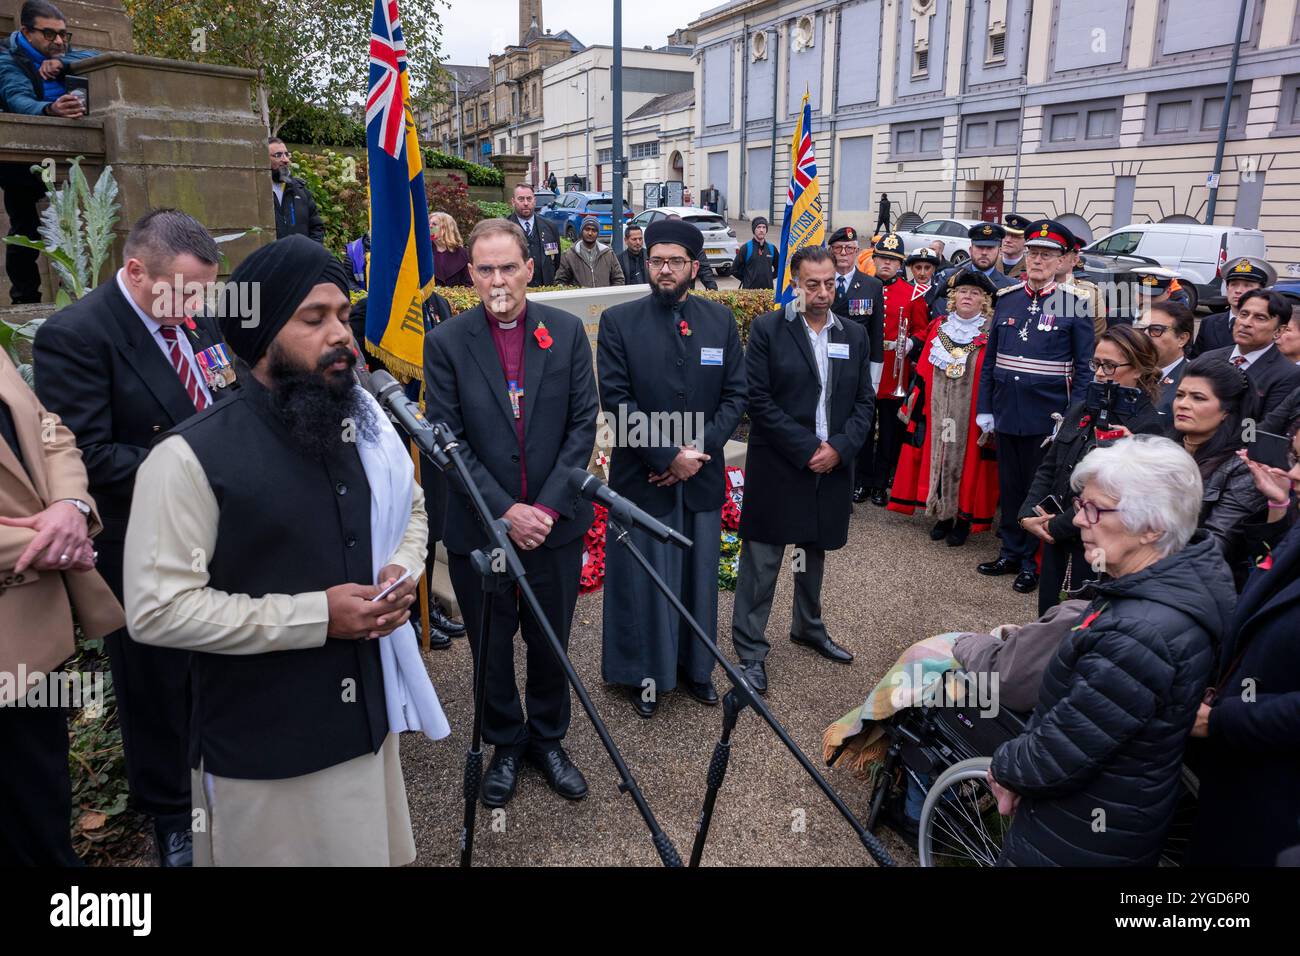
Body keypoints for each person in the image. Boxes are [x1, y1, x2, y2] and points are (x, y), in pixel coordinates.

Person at [123, 235, 447, 866]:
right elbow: (157, 609)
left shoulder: (359, 423)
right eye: (314, 319)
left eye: (344, 316)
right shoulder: (188, 457)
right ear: (262, 330)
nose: (342, 338)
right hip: (264, 753)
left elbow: (410, 507)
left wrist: (402, 569)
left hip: (366, 726)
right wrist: (318, 617)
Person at [32, 209, 230, 867]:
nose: (195, 307)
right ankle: (172, 815)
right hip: (142, 543)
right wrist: (203, 466)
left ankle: (221, 788)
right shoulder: (77, 335)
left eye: (204, 292)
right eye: (183, 291)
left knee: (218, 669)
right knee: (158, 687)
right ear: (136, 269)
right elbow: (84, 454)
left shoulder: (190, 312)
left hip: (220, 530)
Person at [989, 436, 1233, 866]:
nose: (1079, 520)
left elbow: (1060, 748)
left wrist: (1004, 768)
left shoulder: (1141, 633)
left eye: (1095, 509)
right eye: (1081, 504)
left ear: (1153, 526)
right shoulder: (1170, 584)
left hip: (1079, 834)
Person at [424, 218, 598, 808]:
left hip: (555, 525)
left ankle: (548, 739)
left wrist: (544, 508)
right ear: (470, 274)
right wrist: (506, 511)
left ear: (530, 268)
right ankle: (504, 741)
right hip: (479, 529)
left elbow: (582, 428)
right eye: (486, 269)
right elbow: (447, 441)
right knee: (490, 643)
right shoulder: (446, 342)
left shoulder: (568, 332)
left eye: (508, 267)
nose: (499, 280)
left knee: (552, 641)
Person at [597, 218, 746, 717]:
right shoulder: (620, 322)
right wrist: (666, 456)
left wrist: (693, 454)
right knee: (646, 581)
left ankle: (696, 669)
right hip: (643, 477)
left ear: (694, 267)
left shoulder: (719, 321)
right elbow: (617, 401)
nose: (664, 269)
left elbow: (735, 395)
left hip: (698, 475)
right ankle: (645, 676)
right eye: (657, 260)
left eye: (675, 262)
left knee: (698, 576)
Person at [730, 245, 873, 693]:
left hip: (830, 466)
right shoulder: (770, 329)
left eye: (830, 282)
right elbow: (758, 400)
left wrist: (840, 449)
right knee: (764, 558)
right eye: (813, 284)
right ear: (795, 282)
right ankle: (750, 649)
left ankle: (807, 625)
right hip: (781, 463)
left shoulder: (853, 334)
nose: (824, 293)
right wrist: (809, 448)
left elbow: (864, 402)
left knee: (812, 550)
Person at [0, 349, 123, 865]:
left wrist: (70, 506)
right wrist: (52, 543)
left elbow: (51, 432)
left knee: (38, 797)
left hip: (28, 638)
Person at [1189, 419, 1300, 866]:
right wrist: (1278, 512)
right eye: (1295, 458)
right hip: (1245, 768)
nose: (1292, 475)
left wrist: (1222, 720)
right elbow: (1266, 594)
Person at [976, 218, 1094, 594]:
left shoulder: (1073, 305)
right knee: (1009, 488)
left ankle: (1031, 561)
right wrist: (985, 409)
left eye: (1047, 255)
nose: (1038, 260)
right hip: (1007, 411)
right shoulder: (1008, 299)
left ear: (1061, 261)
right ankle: (1010, 551)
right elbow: (990, 362)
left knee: (1037, 490)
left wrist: (1073, 421)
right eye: (1033, 253)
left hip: (1050, 418)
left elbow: (1085, 370)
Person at [1018, 326, 1167, 614]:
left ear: (1137, 369)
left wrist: (1054, 527)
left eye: (1110, 366)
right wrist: (1027, 515)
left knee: (1080, 620)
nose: (1099, 373)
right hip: (1055, 536)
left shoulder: (1146, 427)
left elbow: (1111, 494)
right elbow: (1050, 465)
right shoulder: (1086, 406)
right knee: (1048, 614)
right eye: (1096, 363)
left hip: (1097, 545)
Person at [889, 270, 1000, 547]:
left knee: (968, 465)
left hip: (971, 413)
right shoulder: (940, 326)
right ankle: (942, 515)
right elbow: (925, 367)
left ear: (983, 301)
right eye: (963, 291)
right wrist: (917, 407)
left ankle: (963, 519)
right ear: (953, 297)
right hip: (939, 409)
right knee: (937, 457)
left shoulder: (991, 330)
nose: (967, 297)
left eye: (975, 293)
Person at [0, 1, 95, 304]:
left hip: (72, 152)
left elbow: (101, 57)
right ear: (25, 31)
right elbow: (17, 100)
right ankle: (25, 301)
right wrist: (51, 109)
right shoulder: (6, 58)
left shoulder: (60, 51)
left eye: (63, 35)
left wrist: (63, 63)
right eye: (49, 34)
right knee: (25, 229)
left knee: (75, 226)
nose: (58, 42)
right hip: (26, 158)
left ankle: (80, 296)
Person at [1168, 356, 1267, 587]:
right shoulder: (1162, 450)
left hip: (1194, 586)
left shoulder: (1243, 468)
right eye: (1180, 395)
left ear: (1227, 412)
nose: (1183, 404)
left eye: (1198, 398)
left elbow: (1216, 543)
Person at [855, 233, 928, 506]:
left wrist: (911, 342)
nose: (886, 263)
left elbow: (922, 329)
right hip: (865, 369)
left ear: (901, 265)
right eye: (882, 258)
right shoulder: (861, 287)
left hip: (894, 373)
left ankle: (880, 483)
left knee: (888, 432)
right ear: (874, 260)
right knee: (862, 429)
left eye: (892, 260)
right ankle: (861, 481)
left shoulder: (913, 293)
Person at [1200, 289, 1300, 419]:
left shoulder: (1288, 375)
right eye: (1243, 314)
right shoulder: (1208, 359)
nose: (1246, 323)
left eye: (1260, 318)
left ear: (1279, 331)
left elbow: (1264, 429)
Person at [828, 226, 885, 391]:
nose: (844, 253)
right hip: (823, 359)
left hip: (856, 363)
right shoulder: (820, 282)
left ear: (858, 251)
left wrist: (874, 380)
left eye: (849, 248)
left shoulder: (873, 285)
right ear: (831, 251)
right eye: (838, 248)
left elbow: (876, 334)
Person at [1192, 256, 1276, 358]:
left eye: (1247, 285)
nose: (1238, 290)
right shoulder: (1209, 323)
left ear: (1261, 291)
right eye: (1234, 284)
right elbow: (1196, 359)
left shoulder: (1268, 326)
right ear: (1227, 288)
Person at [930, 222, 1017, 319]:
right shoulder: (949, 277)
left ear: (999, 251)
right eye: (979, 247)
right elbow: (941, 317)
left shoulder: (1010, 287)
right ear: (971, 250)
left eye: (990, 248)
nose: (984, 253)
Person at [1133, 300, 1194, 415]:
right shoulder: (1127, 371)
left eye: (1156, 330)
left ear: (1182, 339)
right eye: (1141, 329)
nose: (1145, 335)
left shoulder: (1193, 380)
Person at [267, 137, 325, 243]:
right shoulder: (259, 193)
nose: (285, 160)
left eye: (286, 154)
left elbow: (316, 228)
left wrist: (311, 253)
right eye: (278, 155)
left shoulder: (301, 191)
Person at [507, 182, 561, 286]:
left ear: (534, 201)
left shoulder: (550, 227)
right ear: (513, 202)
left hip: (544, 289)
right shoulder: (504, 229)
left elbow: (556, 261)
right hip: (516, 288)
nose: (526, 203)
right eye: (521, 199)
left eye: (529, 199)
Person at [555, 216, 625, 288]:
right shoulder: (569, 255)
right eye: (587, 229)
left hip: (604, 298)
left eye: (594, 230)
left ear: (598, 233)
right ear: (582, 230)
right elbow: (560, 282)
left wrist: (609, 295)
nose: (590, 233)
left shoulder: (608, 253)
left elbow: (619, 279)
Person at [1058, 236, 1106, 336]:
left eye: (1062, 254)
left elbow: (1095, 337)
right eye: (1047, 254)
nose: (1056, 259)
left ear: (1075, 260)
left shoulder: (1091, 294)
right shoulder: (1023, 290)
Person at [664, 214, 717, 290]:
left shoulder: (694, 247)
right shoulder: (658, 247)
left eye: (679, 227)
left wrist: (713, 290)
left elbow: (705, 271)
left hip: (685, 294)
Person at [730, 216, 778, 290]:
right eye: (758, 227)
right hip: (749, 293)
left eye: (764, 227)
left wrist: (769, 277)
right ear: (754, 230)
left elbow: (780, 268)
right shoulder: (746, 248)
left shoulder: (772, 248)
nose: (761, 230)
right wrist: (747, 279)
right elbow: (734, 270)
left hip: (768, 292)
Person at [429, 211, 470, 286]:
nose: (430, 227)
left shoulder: (461, 253)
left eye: (434, 224)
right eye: (429, 224)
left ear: (446, 228)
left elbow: (468, 285)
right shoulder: (423, 251)